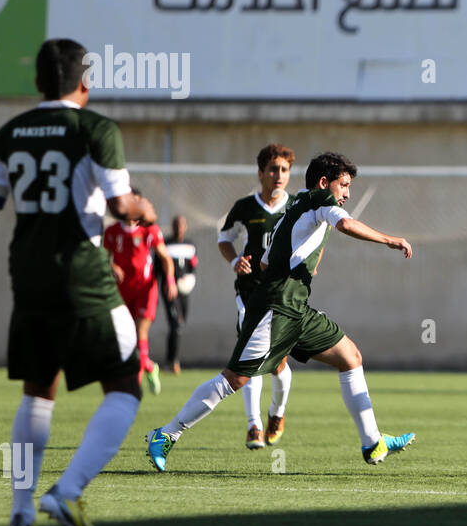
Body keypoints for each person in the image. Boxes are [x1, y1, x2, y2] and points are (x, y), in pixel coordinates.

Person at [0, 38, 160, 526]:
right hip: (82, 274)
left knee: (39, 390)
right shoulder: (95, 128)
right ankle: (67, 490)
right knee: (125, 385)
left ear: (37, 83)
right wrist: (146, 209)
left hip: (27, 275)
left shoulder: (9, 132)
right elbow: (123, 207)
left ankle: (19, 516)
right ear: (86, 81)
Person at [146, 152, 416, 470]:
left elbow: (264, 261)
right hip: (275, 309)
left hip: (295, 309)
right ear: (323, 183)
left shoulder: (295, 207)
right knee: (236, 379)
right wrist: (389, 239)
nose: (347, 193)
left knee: (351, 358)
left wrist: (298, 262)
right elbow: (345, 224)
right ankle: (165, 435)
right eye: (344, 185)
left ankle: (373, 442)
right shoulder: (318, 200)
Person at [217, 143, 295, 449]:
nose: (279, 175)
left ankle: (278, 413)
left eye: (284, 170)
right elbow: (224, 239)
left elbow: (318, 235)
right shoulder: (245, 207)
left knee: (278, 365)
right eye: (273, 169)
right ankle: (254, 426)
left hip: (283, 295)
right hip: (250, 294)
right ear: (261, 172)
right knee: (250, 359)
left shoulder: (295, 207)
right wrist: (235, 260)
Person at [104, 191, 176, 394]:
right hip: (121, 291)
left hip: (146, 289)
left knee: (140, 333)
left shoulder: (149, 230)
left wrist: (170, 280)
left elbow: (165, 257)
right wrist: (111, 266)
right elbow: (103, 258)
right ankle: (150, 367)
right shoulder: (112, 231)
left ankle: (133, 383)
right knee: (126, 338)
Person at [159, 215, 198, 374]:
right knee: (175, 324)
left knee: (180, 324)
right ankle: (172, 362)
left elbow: (193, 266)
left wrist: (189, 279)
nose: (178, 228)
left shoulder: (190, 245)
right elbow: (157, 267)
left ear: (185, 227)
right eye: (176, 225)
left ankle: (172, 360)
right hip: (169, 289)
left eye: (181, 225)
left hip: (184, 290)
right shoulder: (165, 244)